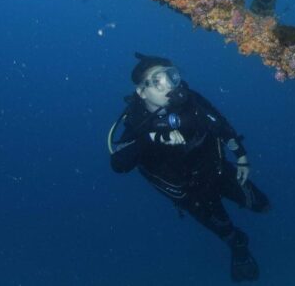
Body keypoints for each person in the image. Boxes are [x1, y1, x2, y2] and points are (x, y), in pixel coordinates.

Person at [108, 52, 270, 282]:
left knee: (262, 205)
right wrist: (153, 137)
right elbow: (119, 164)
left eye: (171, 76)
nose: (168, 86)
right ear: (141, 92)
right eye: (157, 81)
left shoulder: (190, 100)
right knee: (226, 230)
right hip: (190, 194)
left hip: (217, 170)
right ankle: (239, 249)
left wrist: (241, 156)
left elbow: (219, 123)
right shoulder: (137, 123)